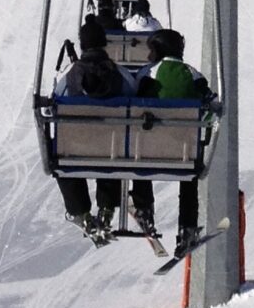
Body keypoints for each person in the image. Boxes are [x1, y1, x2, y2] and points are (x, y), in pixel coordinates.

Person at [130, 28, 211, 252]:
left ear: (157, 51)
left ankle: (144, 208)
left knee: (140, 161)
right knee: (188, 177)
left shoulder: (148, 73)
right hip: (184, 151)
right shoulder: (194, 75)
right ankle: (187, 227)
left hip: (149, 149)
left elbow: (134, 104)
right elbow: (211, 105)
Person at [54, 22, 129, 243]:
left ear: (83, 44)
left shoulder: (69, 75)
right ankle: (106, 208)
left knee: (64, 157)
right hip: (112, 149)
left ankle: (81, 212)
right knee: (113, 150)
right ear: (104, 43)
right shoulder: (120, 74)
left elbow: (55, 100)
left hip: (76, 147)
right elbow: (134, 93)